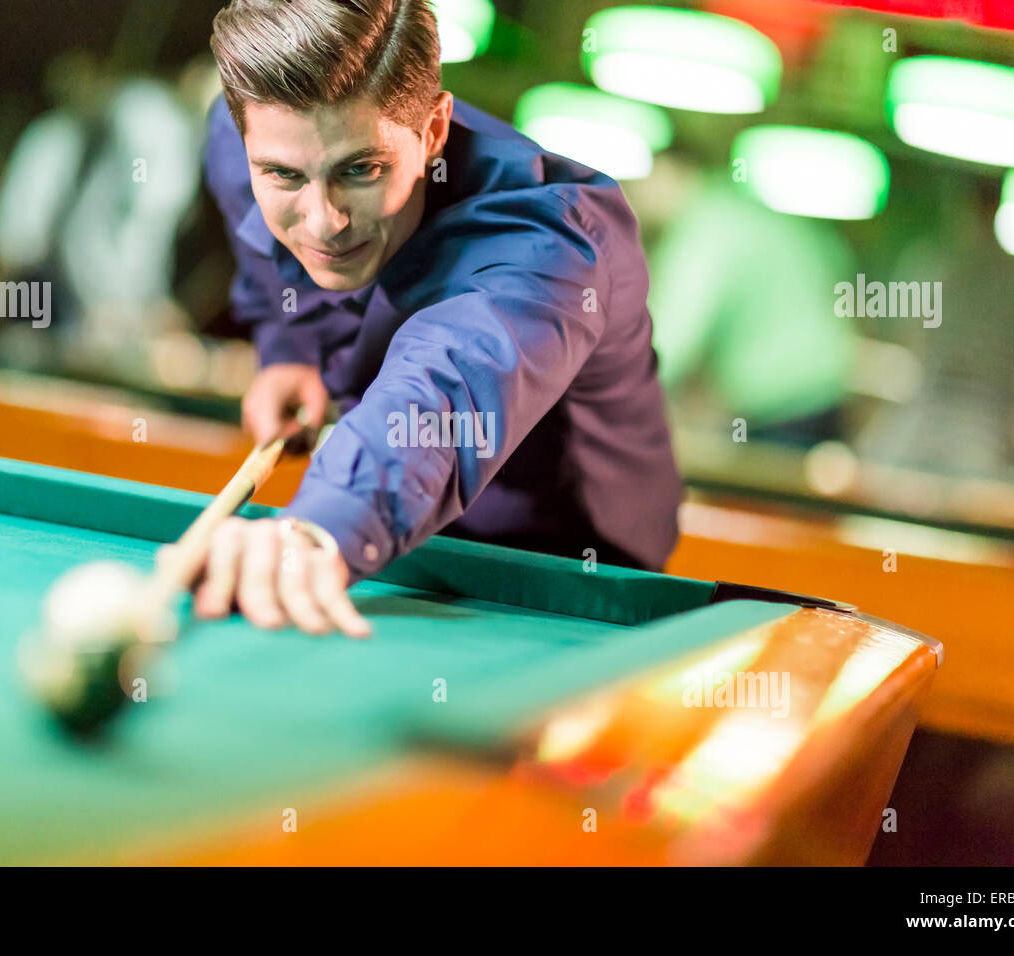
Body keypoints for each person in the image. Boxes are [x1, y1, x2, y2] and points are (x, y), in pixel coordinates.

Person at [180, 0, 681, 636]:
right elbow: (275, 268)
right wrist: (290, 353)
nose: (322, 220)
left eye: (360, 170)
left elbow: (439, 399)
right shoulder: (241, 138)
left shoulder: (548, 240)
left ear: (434, 131)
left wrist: (314, 527)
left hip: (566, 574)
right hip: (388, 531)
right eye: (282, 175)